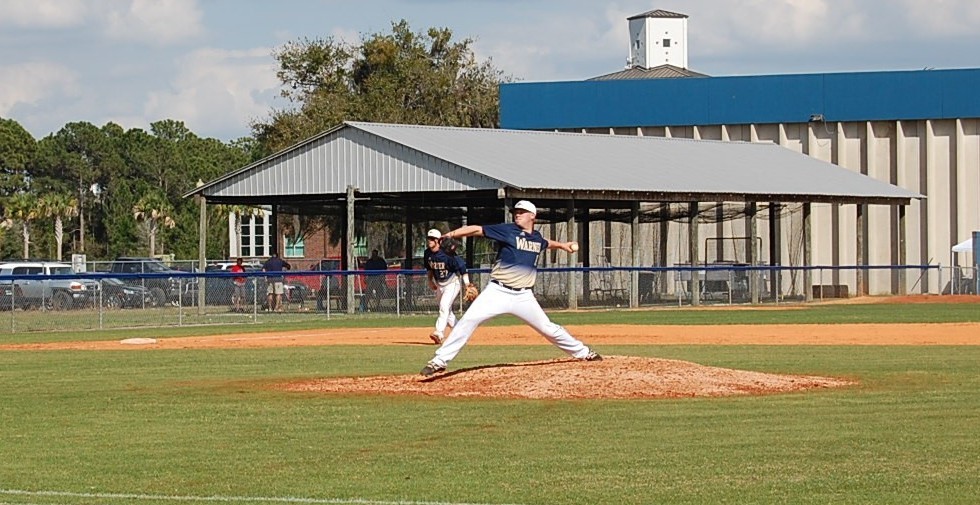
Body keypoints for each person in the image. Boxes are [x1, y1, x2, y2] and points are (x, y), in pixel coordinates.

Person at [420, 200, 601, 377]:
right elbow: (477, 229)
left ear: (532, 216)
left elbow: (545, 242)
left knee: (548, 328)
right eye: (516, 211)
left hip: (523, 296)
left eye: (521, 212)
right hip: (497, 291)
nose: (517, 214)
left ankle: (583, 352)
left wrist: (562, 245)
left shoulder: (537, 238)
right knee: (468, 321)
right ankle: (439, 361)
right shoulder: (508, 230)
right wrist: (451, 234)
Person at [422, 229, 471, 344]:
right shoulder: (427, 253)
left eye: (432, 239)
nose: (430, 241)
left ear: (438, 241)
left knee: (443, 306)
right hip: (440, 284)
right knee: (447, 312)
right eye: (429, 238)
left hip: (452, 283)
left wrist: (467, 284)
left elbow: (462, 268)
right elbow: (429, 268)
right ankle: (462, 331)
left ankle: (439, 333)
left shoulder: (447, 254)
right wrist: (430, 280)